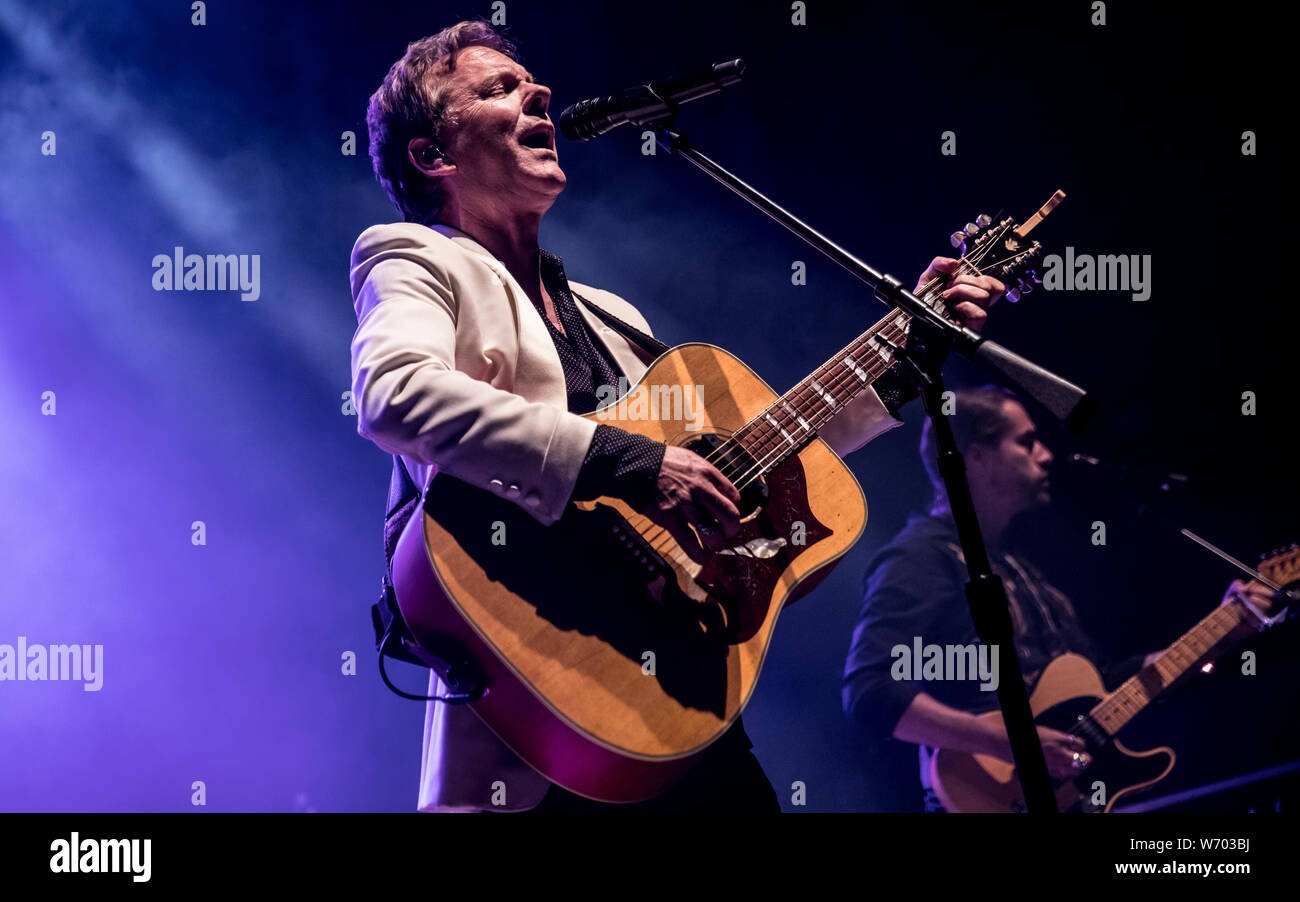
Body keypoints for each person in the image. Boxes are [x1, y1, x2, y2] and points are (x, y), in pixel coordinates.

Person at [351, 20, 1004, 812]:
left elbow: (754, 456)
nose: (539, 93)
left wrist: (906, 359)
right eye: (498, 90)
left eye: (533, 84)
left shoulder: (607, 313)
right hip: (545, 713)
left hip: (677, 689)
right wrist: (637, 463)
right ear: (433, 155)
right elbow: (396, 393)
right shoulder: (416, 257)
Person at [841, 385, 1279, 811]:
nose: (1047, 455)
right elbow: (870, 688)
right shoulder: (920, 556)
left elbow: (1101, 685)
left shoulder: (1014, 565)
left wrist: (1222, 630)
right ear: (976, 457)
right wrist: (1016, 743)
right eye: (1027, 443)